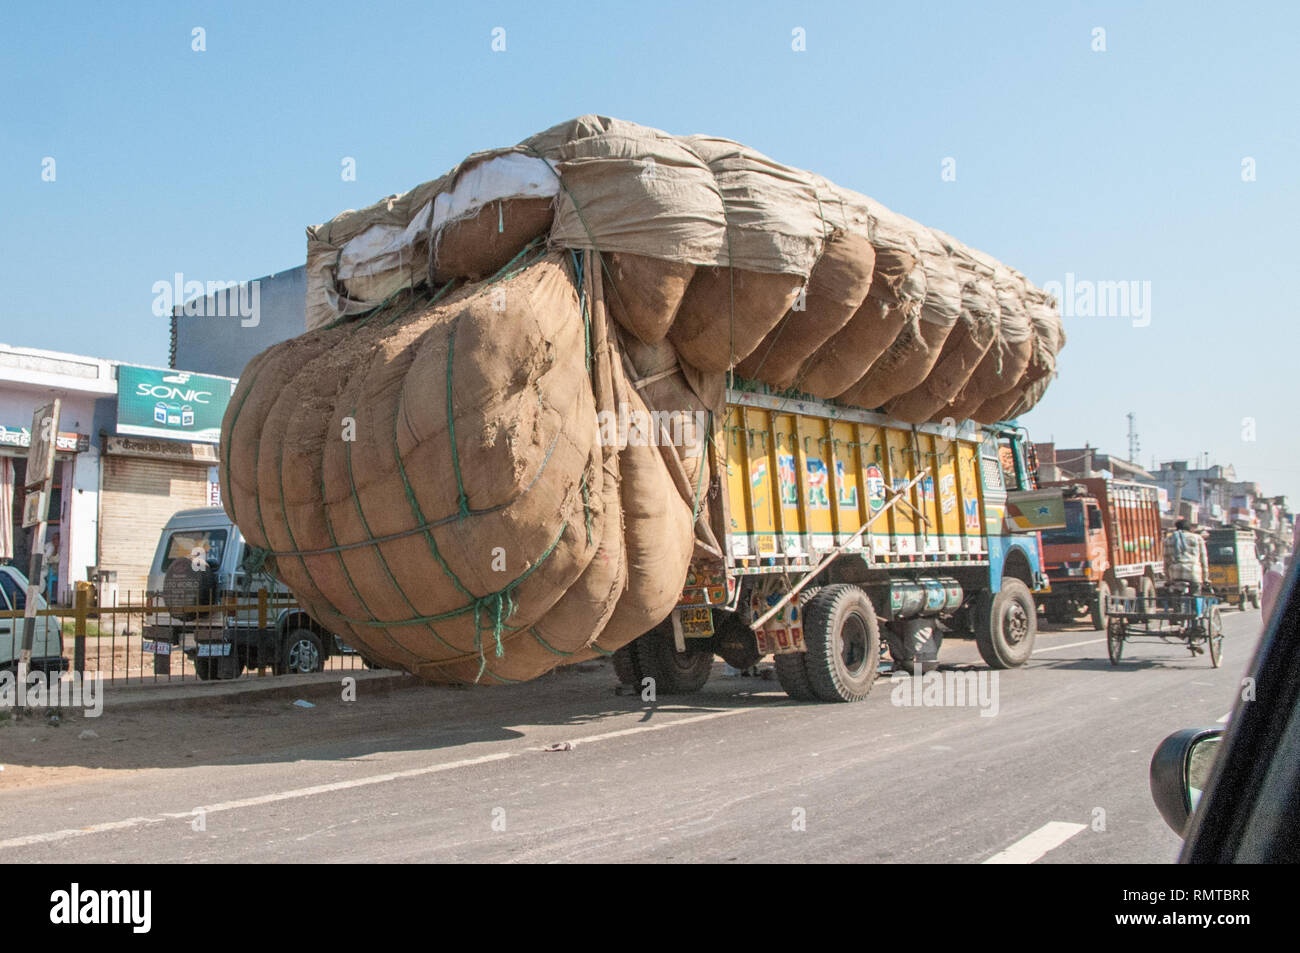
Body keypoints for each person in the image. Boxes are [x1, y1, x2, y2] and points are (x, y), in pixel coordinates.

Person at [1164, 518, 1209, 590]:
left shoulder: (1168, 539)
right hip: (1193, 573)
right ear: (1189, 528)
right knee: (1194, 595)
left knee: (1175, 597)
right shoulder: (1197, 538)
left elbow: (1166, 561)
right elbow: (1203, 560)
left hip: (1175, 574)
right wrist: (1205, 578)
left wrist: (1168, 580)